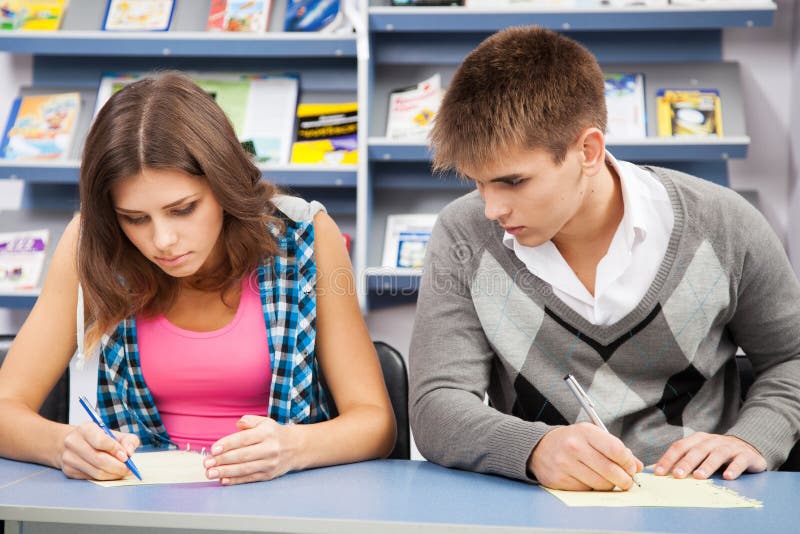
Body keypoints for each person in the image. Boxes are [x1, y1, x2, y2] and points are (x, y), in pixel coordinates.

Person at [409, 26, 800, 491]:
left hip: (703, 502)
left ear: (588, 151)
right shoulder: (462, 233)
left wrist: (754, 438)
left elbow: (790, 358)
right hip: (540, 507)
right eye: (477, 182)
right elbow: (437, 403)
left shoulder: (726, 224)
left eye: (513, 182)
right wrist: (533, 450)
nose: (492, 210)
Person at [0, 72, 396, 485]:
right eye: (135, 219)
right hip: (136, 513)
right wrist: (62, 444)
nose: (163, 241)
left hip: (281, 507)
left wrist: (296, 448)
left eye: (183, 209)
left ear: (224, 183)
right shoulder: (92, 243)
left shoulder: (305, 236)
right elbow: (5, 409)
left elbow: (376, 423)